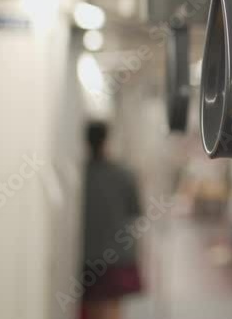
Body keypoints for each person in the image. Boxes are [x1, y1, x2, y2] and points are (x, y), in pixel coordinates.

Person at [81, 121, 143, 319]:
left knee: (88, 305)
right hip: (116, 255)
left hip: (85, 255)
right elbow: (135, 211)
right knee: (112, 305)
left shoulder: (80, 175)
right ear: (106, 140)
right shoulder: (124, 174)